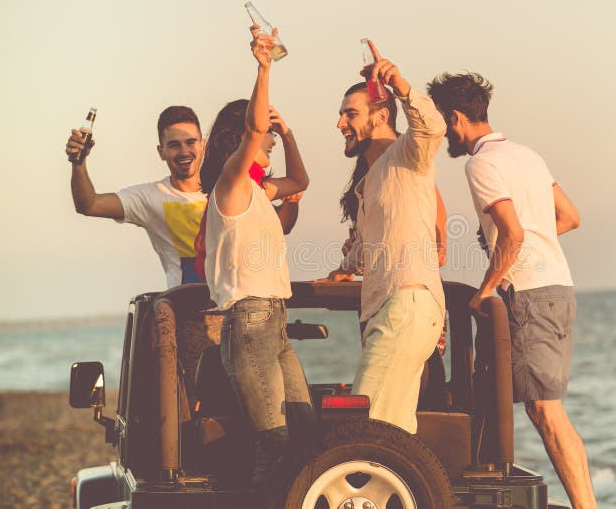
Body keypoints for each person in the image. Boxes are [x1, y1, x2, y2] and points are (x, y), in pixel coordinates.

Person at [427, 72, 595, 508]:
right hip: (559, 287)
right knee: (539, 407)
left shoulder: (480, 163)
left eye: (444, 122)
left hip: (530, 295)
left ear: (456, 117)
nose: (444, 133)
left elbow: (514, 235)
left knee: (544, 411)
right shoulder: (527, 155)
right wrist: (523, 244)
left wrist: (486, 288)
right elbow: (570, 217)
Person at [200, 25, 312, 490]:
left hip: (273, 318)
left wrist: (288, 135)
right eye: (265, 131)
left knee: (305, 436)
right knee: (274, 443)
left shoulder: (260, 192)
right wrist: (264, 67)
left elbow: (300, 181)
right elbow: (253, 128)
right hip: (248, 319)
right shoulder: (230, 185)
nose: (266, 137)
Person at [320, 40, 446, 435]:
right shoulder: (369, 183)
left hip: (405, 305)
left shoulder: (407, 155)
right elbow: (365, 247)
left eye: (350, 114)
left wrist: (397, 81)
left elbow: (432, 126)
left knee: (360, 430)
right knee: (393, 437)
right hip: (389, 312)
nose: (341, 123)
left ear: (380, 116)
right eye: (341, 115)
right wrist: (340, 271)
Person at [65, 107, 304, 288]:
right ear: (161, 152)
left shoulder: (227, 184)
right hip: (188, 308)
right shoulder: (150, 197)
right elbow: (89, 204)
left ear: (203, 144)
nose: (184, 152)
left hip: (238, 302)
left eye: (190, 143)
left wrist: (292, 202)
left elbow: (281, 226)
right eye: (174, 145)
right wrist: (79, 162)